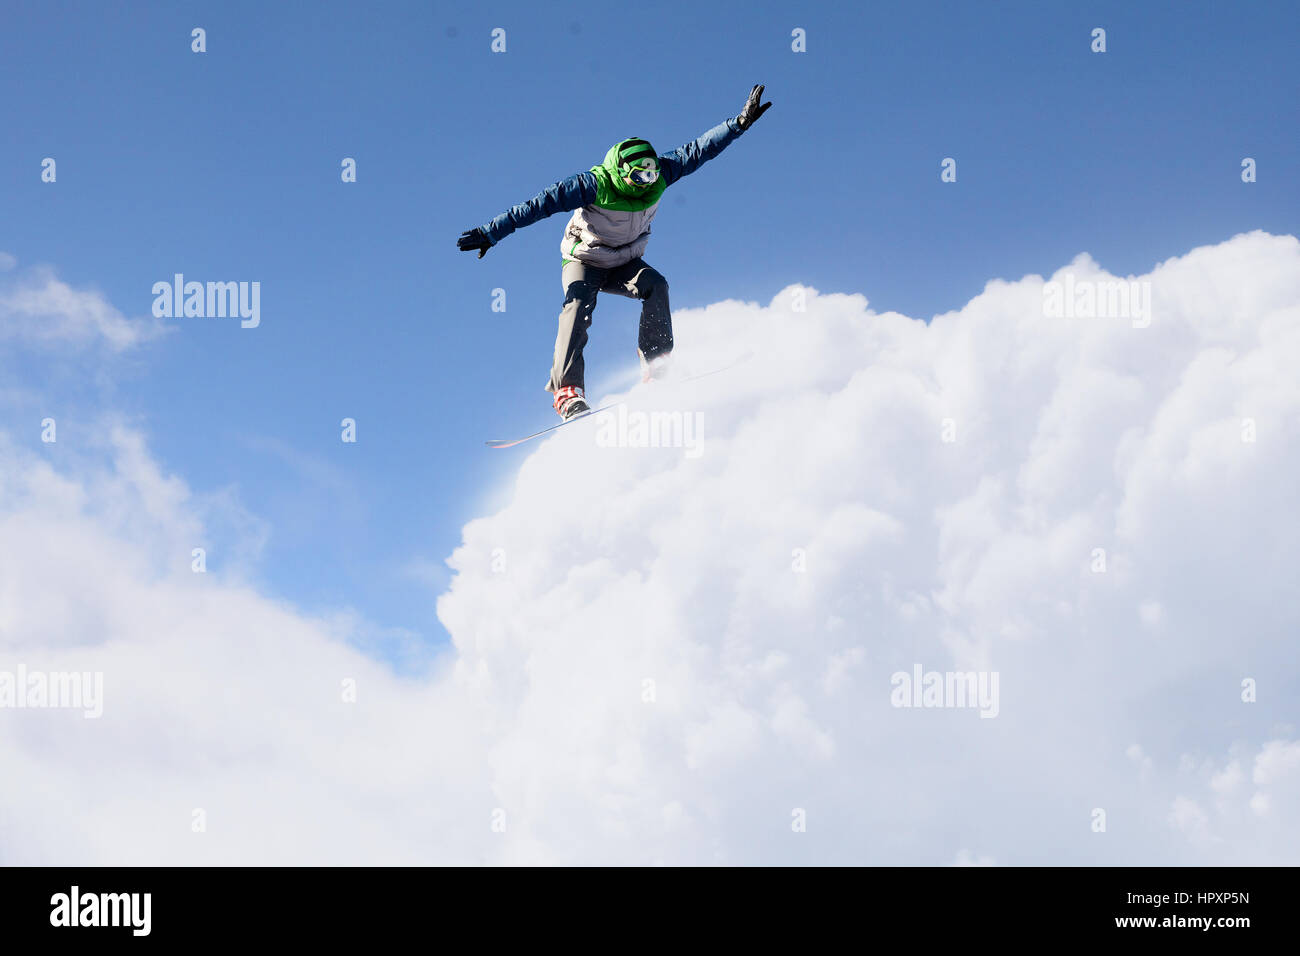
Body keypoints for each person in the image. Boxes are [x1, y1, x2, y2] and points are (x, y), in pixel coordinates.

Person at [457, 84, 773, 420]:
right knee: (577, 304)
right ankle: (567, 391)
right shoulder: (592, 185)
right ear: (623, 172)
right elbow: (538, 205)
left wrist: (738, 124)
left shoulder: (662, 174)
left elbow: (699, 150)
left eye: (652, 173)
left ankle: (657, 367)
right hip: (585, 260)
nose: (649, 181)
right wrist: (492, 232)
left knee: (656, 285)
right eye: (640, 175)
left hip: (625, 259)